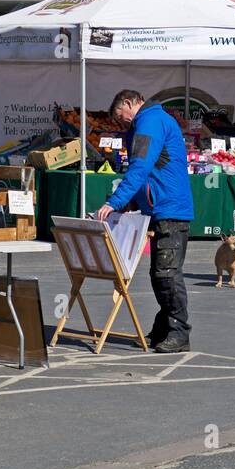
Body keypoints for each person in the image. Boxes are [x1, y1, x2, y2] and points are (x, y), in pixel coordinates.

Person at [95, 89, 195, 352]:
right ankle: (165, 328)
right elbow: (149, 170)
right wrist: (132, 201)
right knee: (159, 273)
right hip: (159, 207)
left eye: (120, 116)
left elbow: (141, 167)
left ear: (129, 103)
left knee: (167, 273)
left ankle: (179, 331)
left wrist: (115, 202)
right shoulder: (146, 123)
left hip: (170, 208)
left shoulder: (150, 122)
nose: (120, 122)